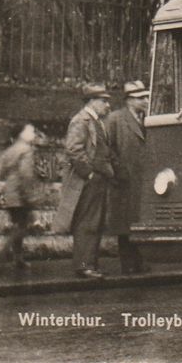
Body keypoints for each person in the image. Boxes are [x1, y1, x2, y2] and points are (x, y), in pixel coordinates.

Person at [54, 83, 114, 279]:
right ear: (91, 101)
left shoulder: (97, 121)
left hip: (98, 179)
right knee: (87, 222)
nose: (107, 105)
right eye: (103, 101)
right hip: (88, 180)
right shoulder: (81, 120)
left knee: (94, 222)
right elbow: (73, 149)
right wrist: (88, 173)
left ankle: (90, 264)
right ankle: (84, 266)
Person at [106, 80, 149, 274]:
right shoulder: (115, 119)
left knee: (138, 221)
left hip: (140, 180)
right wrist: (118, 170)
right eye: (141, 98)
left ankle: (138, 261)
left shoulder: (146, 119)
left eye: (146, 97)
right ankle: (128, 263)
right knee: (124, 224)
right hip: (123, 179)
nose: (146, 101)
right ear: (130, 100)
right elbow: (107, 147)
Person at [0, 123, 42, 272]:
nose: (33, 134)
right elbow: (26, 175)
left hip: (10, 193)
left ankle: (18, 260)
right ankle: (1, 251)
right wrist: (31, 196)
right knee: (21, 228)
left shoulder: (10, 150)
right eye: (30, 131)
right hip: (21, 195)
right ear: (21, 134)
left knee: (18, 225)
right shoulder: (26, 150)